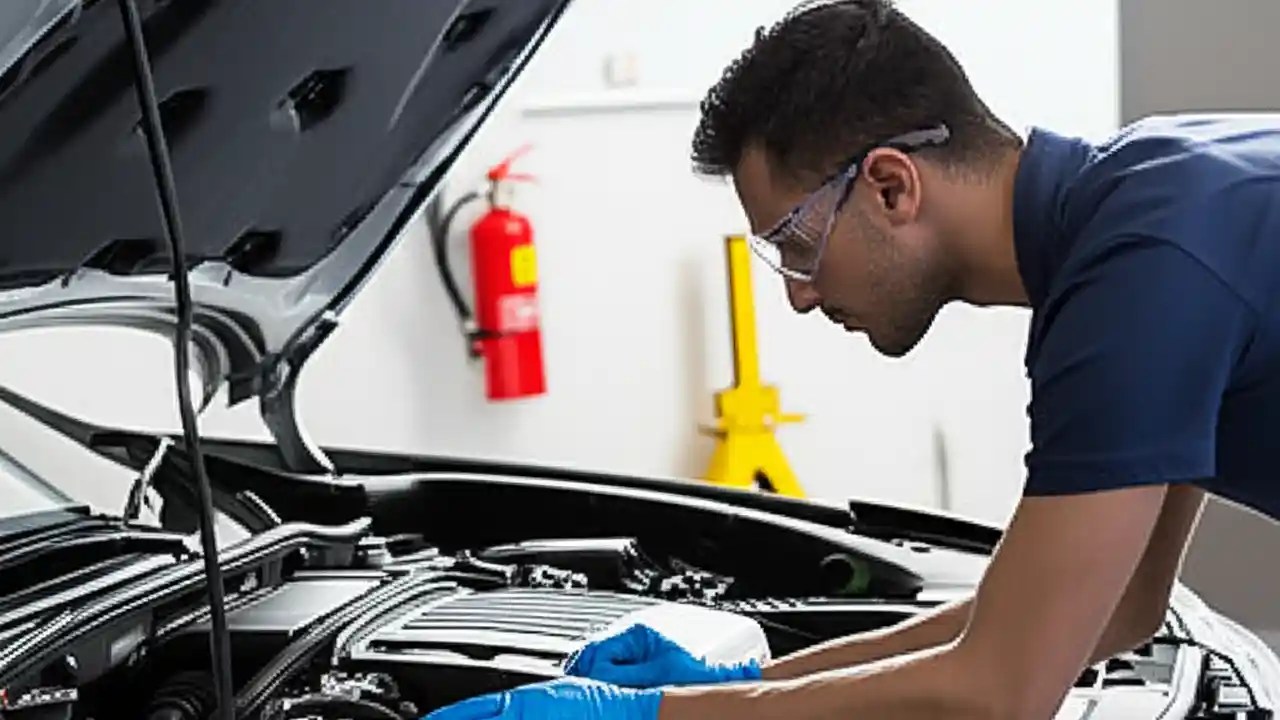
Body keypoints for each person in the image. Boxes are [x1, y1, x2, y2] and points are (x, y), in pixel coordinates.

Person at [426, 0, 1280, 718]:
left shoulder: (1140, 277)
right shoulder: (1146, 199)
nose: (798, 293)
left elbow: (1003, 691)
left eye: (795, 245)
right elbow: (1118, 609)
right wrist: (752, 679)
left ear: (891, 185)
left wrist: (658, 715)